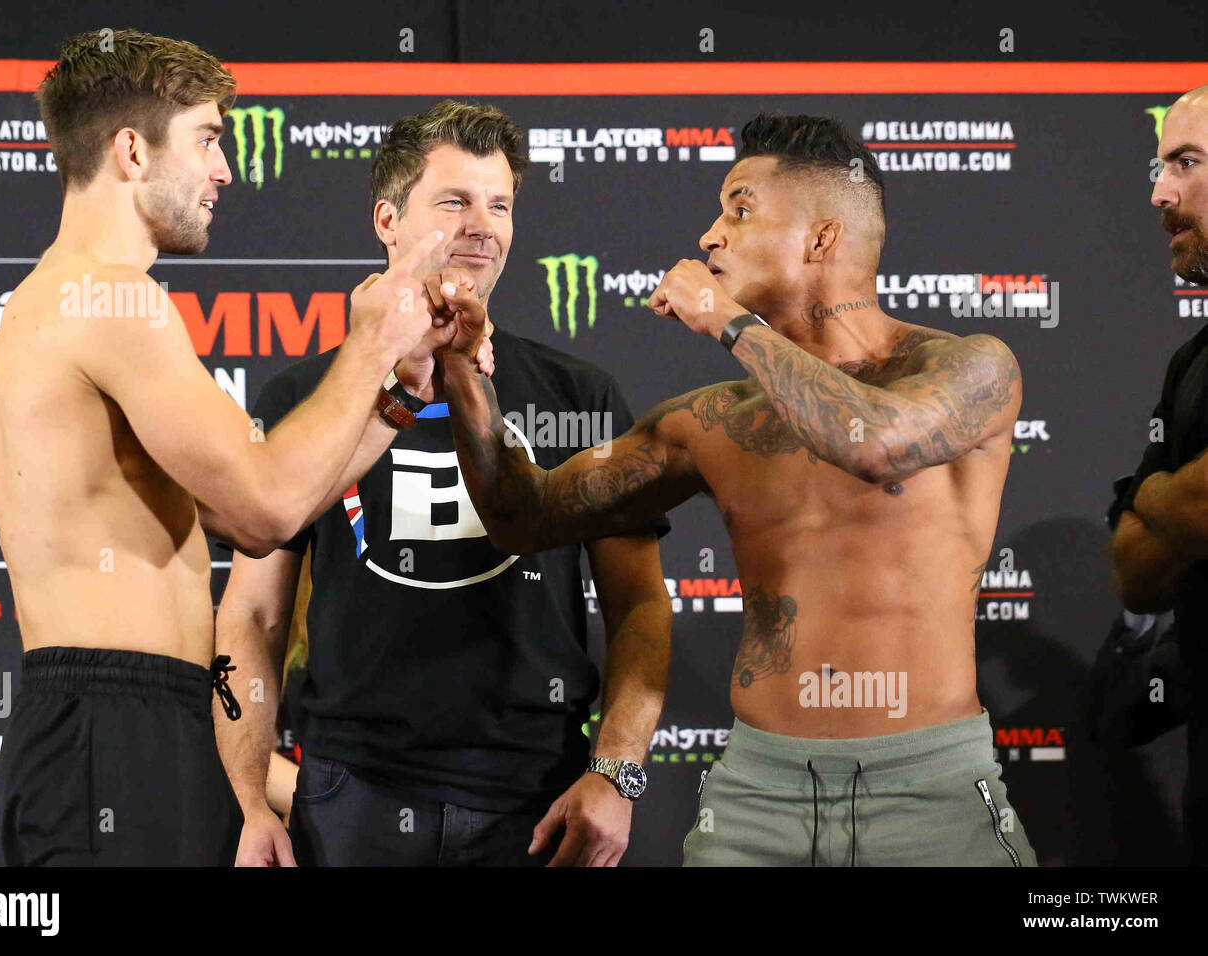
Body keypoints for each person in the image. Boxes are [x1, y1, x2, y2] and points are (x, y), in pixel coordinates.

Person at [441, 112, 1038, 866]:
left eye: (740, 210)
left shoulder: (970, 368)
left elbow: (877, 443)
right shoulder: (716, 423)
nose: (709, 236)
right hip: (757, 800)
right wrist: (461, 370)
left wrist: (725, 319)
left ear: (821, 239)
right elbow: (523, 516)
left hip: (932, 794)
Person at [0, 29, 456, 865]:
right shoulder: (110, 304)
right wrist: (372, 339)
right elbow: (266, 505)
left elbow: (259, 515)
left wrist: (400, 398)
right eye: (206, 139)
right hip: (111, 728)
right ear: (132, 150)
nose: (225, 169)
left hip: (134, 719)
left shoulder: (68, 301)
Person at [215, 100, 672, 868]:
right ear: (388, 221)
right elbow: (252, 615)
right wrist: (251, 800)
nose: (483, 226)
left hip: (536, 798)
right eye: (455, 201)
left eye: (500, 205)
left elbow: (640, 605)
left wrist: (616, 772)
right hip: (350, 798)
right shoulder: (303, 397)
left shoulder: (579, 396)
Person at [1111, 83, 1208, 864]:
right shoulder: (1191, 362)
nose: (1158, 194)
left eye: (1185, 163)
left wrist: (1153, 495)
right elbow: (1136, 572)